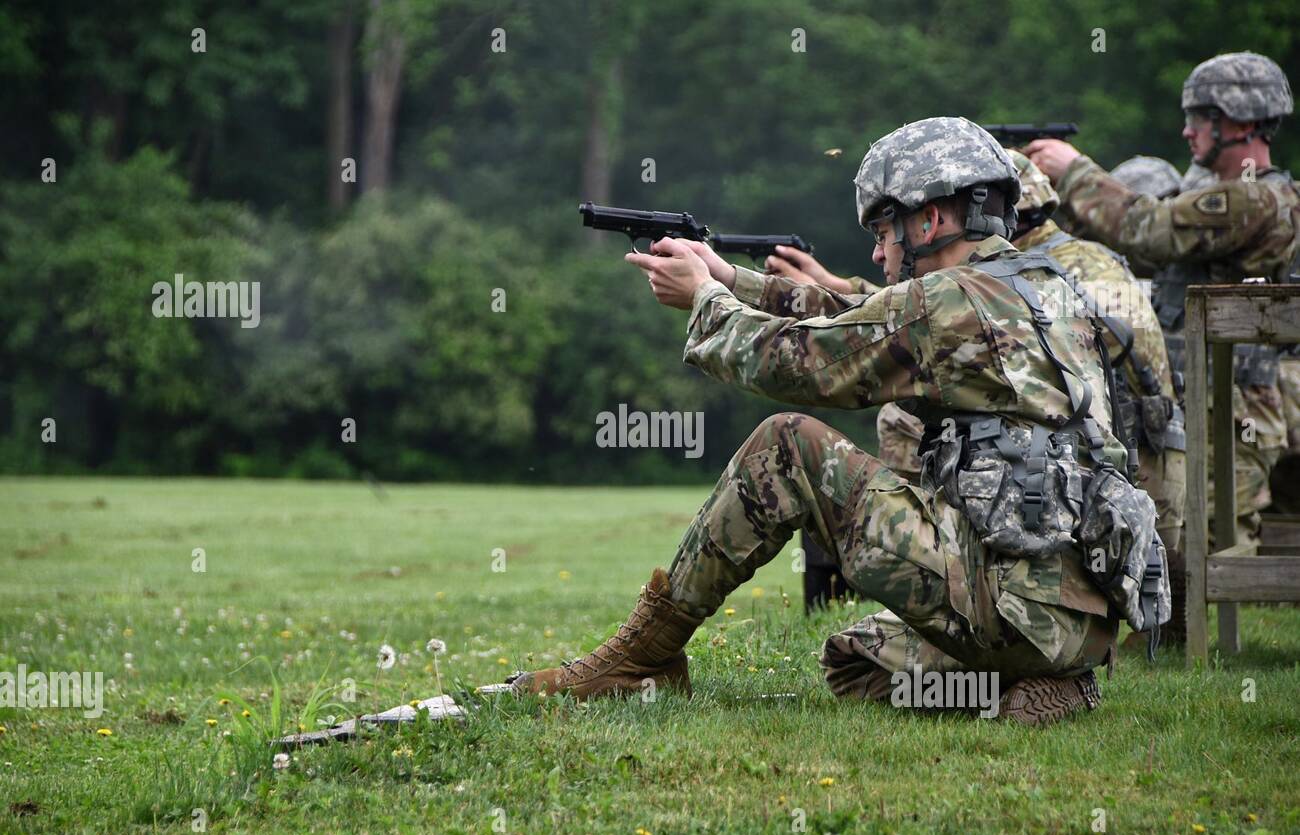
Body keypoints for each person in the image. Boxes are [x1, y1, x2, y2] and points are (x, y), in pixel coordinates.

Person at [504, 117, 1167, 724]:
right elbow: (866, 315)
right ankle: (1043, 686)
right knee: (857, 659)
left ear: (929, 220)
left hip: (1015, 606)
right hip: (1074, 619)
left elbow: (804, 363)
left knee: (788, 447)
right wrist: (730, 279)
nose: (877, 255)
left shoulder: (948, 304)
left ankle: (642, 657)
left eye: (883, 233)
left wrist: (703, 301)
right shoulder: (1044, 288)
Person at [774, 150, 1187, 646]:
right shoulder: (1052, 269)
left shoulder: (1042, 273)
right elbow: (934, 315)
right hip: (1120, 488)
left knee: (905, 421)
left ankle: (950, 584)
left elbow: (940, 318)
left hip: (1117, 480)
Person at [1025, 51, 1300, 549]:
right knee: (1180, 537)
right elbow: (1148, 252)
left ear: (1241, 122)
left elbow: (1151, 231)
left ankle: (1214, 629)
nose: (1187, 132)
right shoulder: (1235, 197)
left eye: (1199, 118)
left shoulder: (1253, 197)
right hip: (1209, 394)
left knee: (1219, 542)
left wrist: (1074, 172)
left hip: (1232, 401)